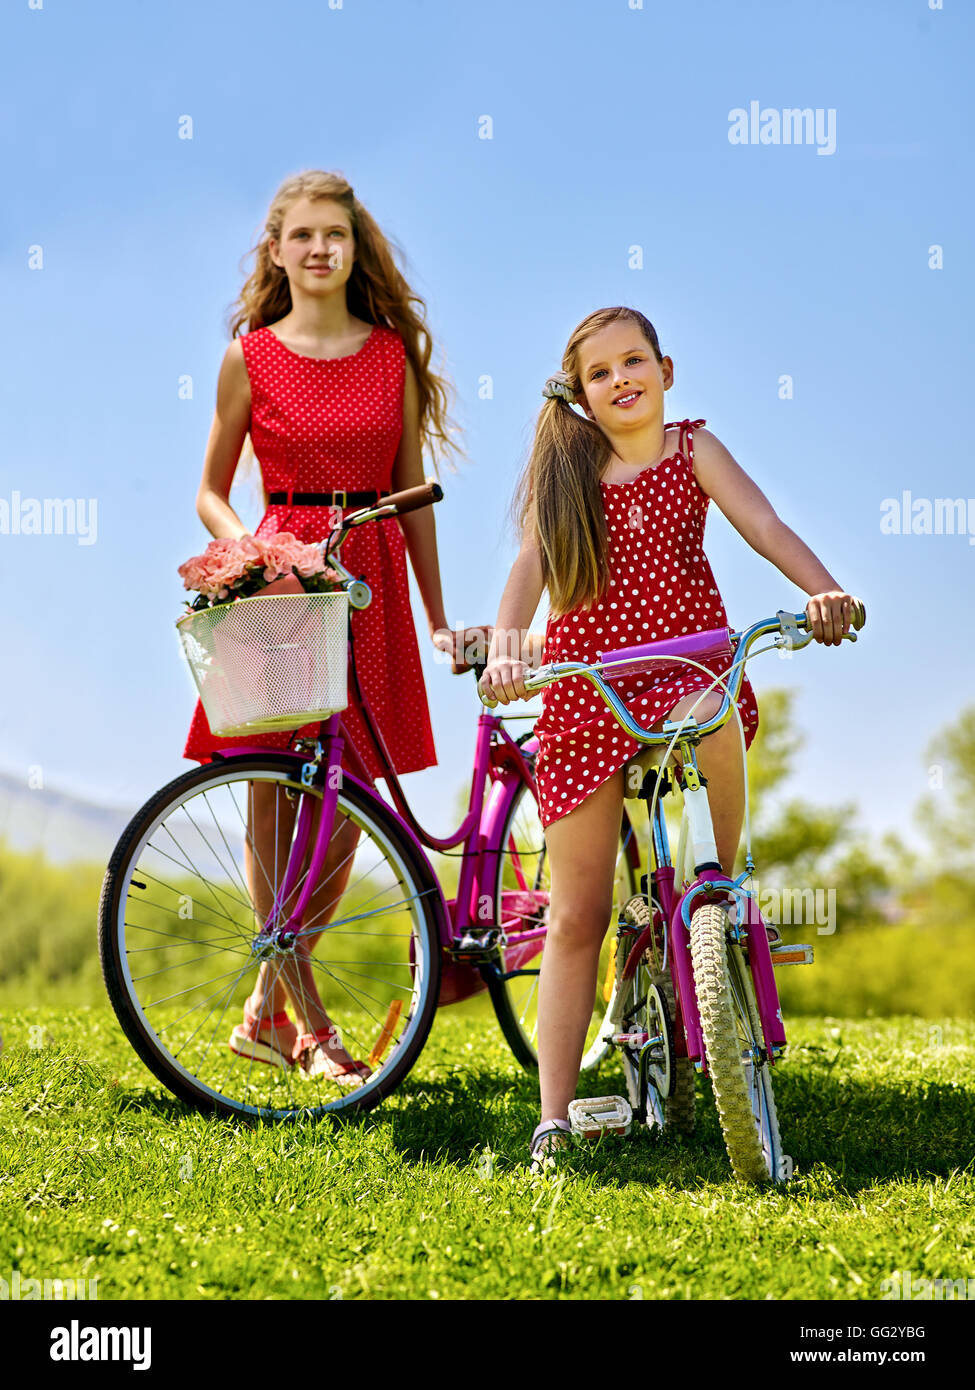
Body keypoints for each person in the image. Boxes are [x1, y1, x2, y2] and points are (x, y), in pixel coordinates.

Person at [478, 306, 862, 1162]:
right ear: (578, 394)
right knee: (578, 914)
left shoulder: (694, 451)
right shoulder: (570, 470)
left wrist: (823, 592)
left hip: (683, 666)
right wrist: (507, 651)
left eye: (634, 361)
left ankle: (715, 888)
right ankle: (553, 1116)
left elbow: (763, 525)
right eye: (601, 373)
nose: (622, 380)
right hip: (585, 685)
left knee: (717, 713)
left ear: (666, 368)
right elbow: (528, 571)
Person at [185, 169, 474, 1086]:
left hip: (372, 575)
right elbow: (209, 493)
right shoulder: (249, 356)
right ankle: (308, 1026)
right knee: (275, 794)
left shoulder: (391, 356)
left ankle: (266, 1010)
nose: (319, 250)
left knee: (349, 804)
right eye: (302, 236)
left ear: (355, 250)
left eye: (334, 237)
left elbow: (411, 497)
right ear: (277, 251)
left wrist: (434, 614)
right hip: (283, 584)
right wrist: (257, 551)